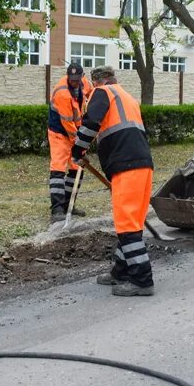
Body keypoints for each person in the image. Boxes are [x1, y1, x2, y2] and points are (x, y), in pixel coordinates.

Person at [71, 66, 155, 297]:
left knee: (127, 224)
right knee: (131, 222)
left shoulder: (103, 93)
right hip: (142, 166)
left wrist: (77, 150)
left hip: (127, 167)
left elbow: (90, 124)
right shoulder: (127, 97)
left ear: (98, 82)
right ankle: (121, 271)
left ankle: (141, 280)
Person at [47, 62, 92, 223]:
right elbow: (67, 122)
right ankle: (57, 210)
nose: (74, 82)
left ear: (82, 76)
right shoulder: (62, 93)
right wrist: (79, 143)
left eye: (77, 79)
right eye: (71, 79)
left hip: (75, 133)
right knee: (58, 168)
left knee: (77, 168)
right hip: (59, 132)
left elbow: (91, 96)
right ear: (68, 76)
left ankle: (69, 205)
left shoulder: (85, 83)